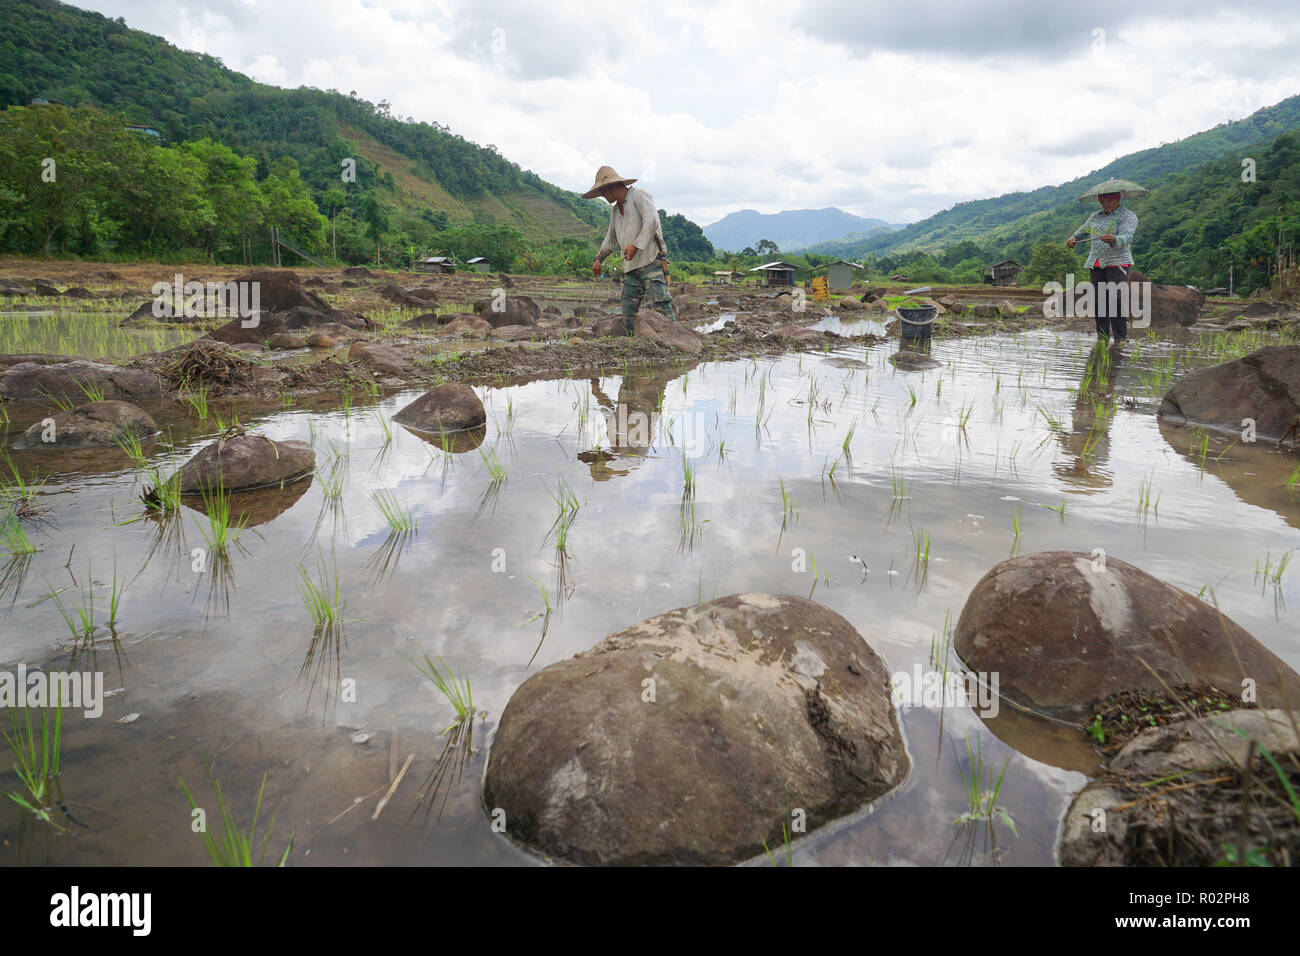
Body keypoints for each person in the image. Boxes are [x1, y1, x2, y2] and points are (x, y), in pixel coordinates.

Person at [584, 165, 677, 331]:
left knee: (660, 304)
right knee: (628, 312)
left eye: (603, 192)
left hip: (650, 262)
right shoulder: (615, 211)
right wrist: (599, 258)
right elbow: (610, 238)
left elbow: (652, 222)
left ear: (611, 187)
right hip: (631, 269)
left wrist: (635, 245)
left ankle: (675, 338)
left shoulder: (639, 196)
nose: (603, 196)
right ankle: (634, 345)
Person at [1067, 186, 1139, 346]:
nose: (1107, 204)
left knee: (1116, 299)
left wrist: (1115, 239)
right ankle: (1102, 337)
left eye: (1110, 201)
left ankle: (1120, 338)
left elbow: (1127, 236)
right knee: (1100, 301)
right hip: (1097, 262)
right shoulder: (1095, 217)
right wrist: (1073, 238)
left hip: (1118, 262)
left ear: (1118, 199)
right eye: (1103, 201)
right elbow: (1083, 230)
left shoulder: (1128, 216)